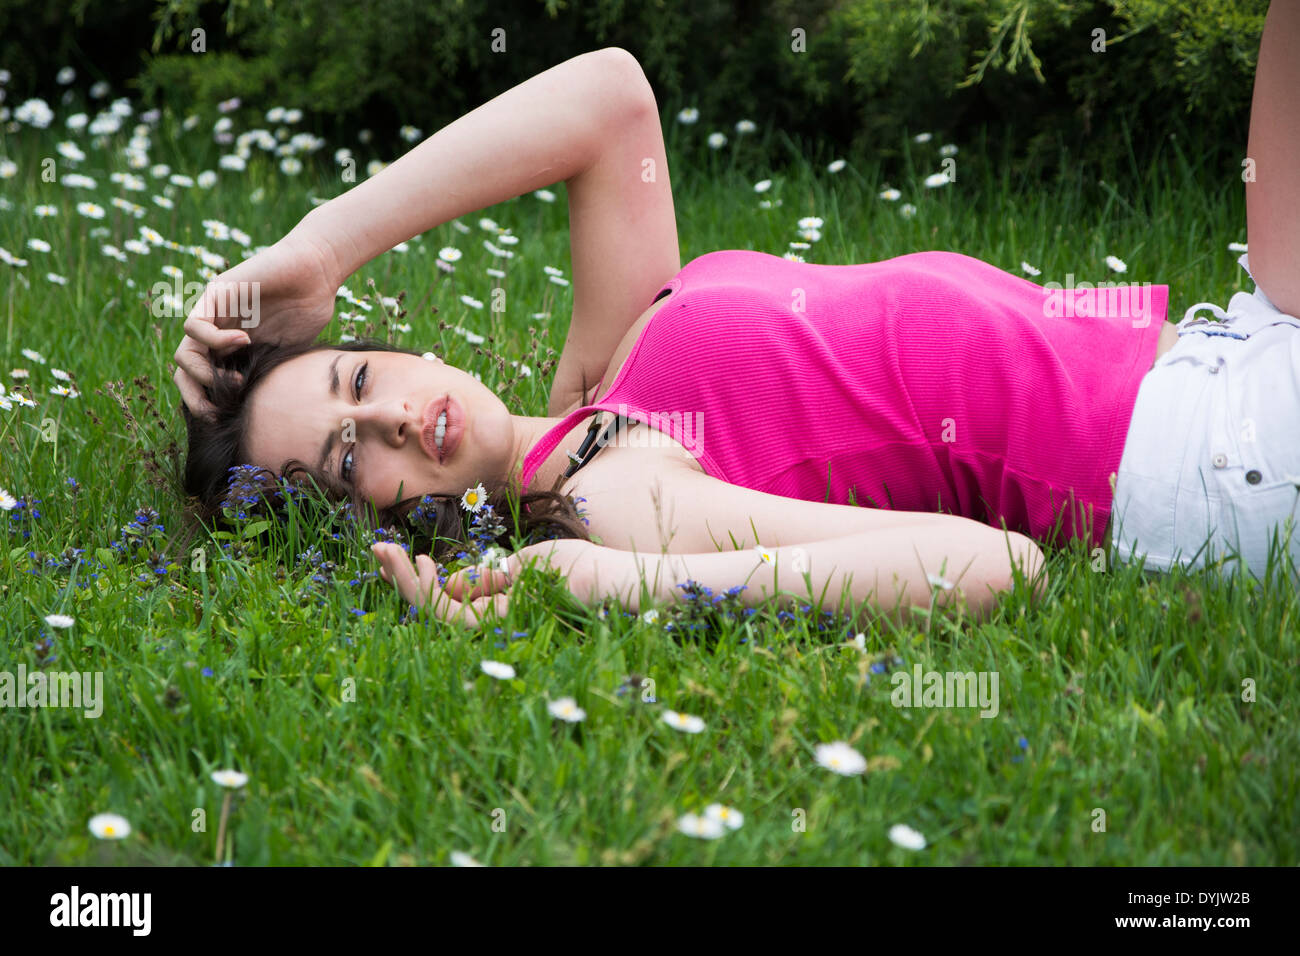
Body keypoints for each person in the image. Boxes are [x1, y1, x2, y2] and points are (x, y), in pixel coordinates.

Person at [173, 8, 1300, 629]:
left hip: (1228, 346)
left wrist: (321, 250)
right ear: (363, 527)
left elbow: (609, 98)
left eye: (358, 380)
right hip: (1202, 465)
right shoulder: (611, 498)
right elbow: (997, 567)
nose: (391, 420)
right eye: (345, 456)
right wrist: (614, 583)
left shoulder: (594, 396)